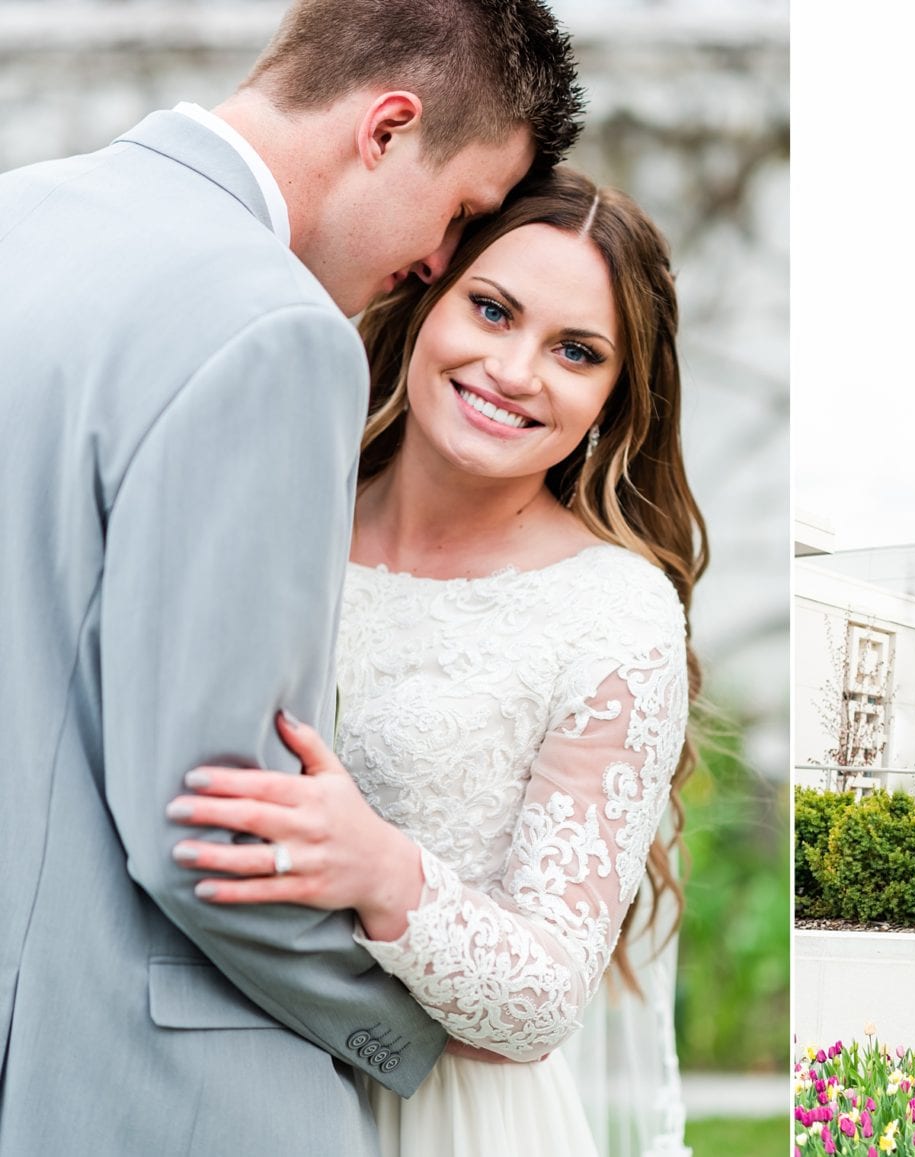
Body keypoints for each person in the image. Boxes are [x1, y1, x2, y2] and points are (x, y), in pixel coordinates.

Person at [0, 2, 582, 1153]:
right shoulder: (278, 329)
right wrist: (407, 1028)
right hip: (151, 1088)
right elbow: (213, 828)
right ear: (386, 127)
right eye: (460, 211)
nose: (436, 263)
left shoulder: (19, 217)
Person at [165, 168, 708, 1157]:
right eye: (492, 308)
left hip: (448, 1118)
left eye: (575, 351)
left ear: (614, 398)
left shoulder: (614, 609)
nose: (514, 369)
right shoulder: (284, 507)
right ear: (427, 297)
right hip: (213, 1072)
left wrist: (380, 866)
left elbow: (545, 994)